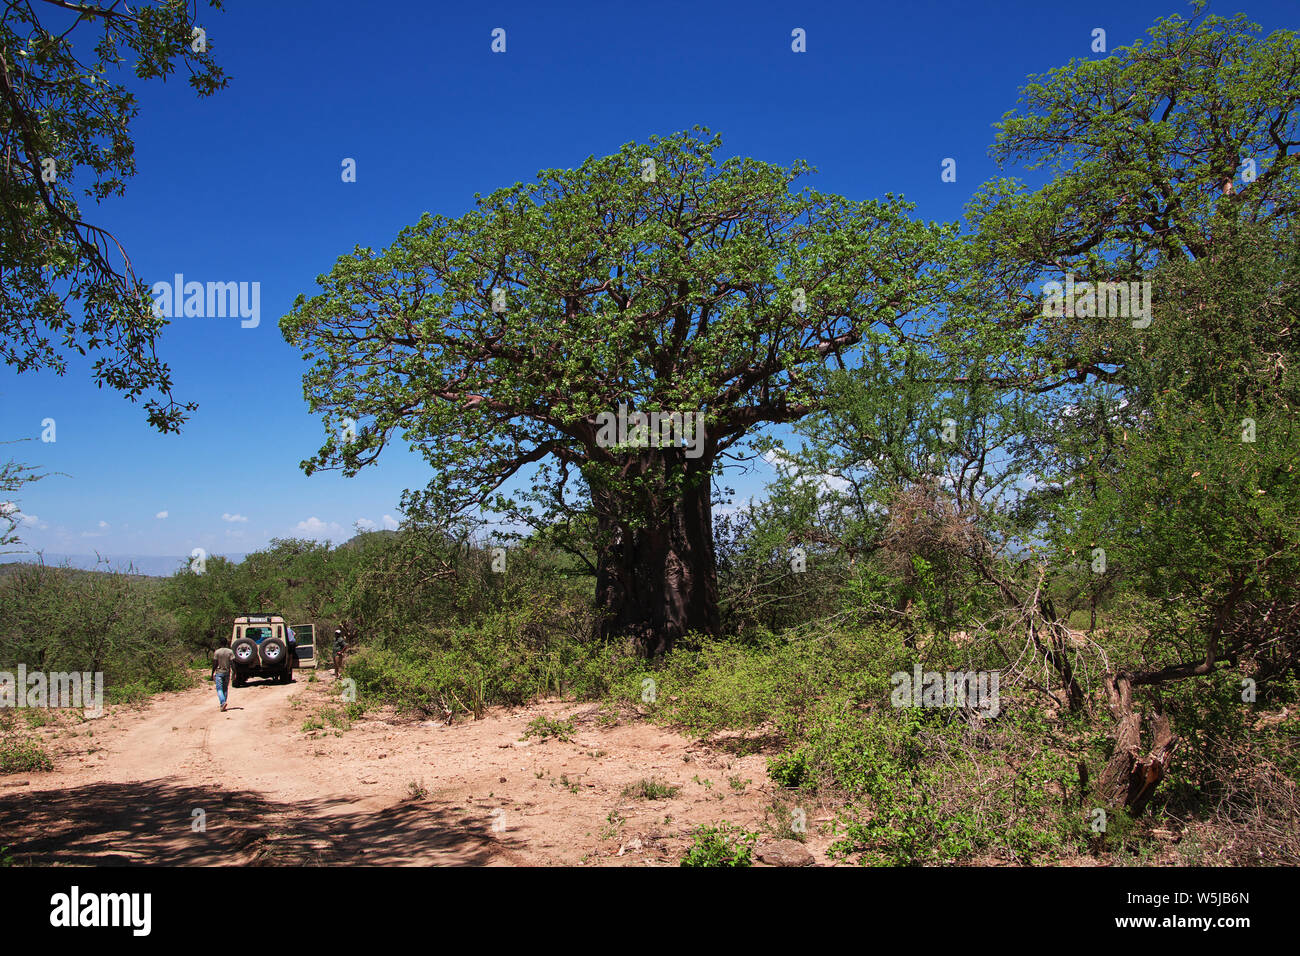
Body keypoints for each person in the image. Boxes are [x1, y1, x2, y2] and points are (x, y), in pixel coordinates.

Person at [212, 644, 234, 711]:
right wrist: (235, 672)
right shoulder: (230, 652)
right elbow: (232, 663)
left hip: (219, 672)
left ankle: (223, 702)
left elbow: (215, 663)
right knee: (225, 689)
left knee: (219, 689)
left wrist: (212, 673)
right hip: (227, 672)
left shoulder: (217, 652)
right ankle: (223, 704)